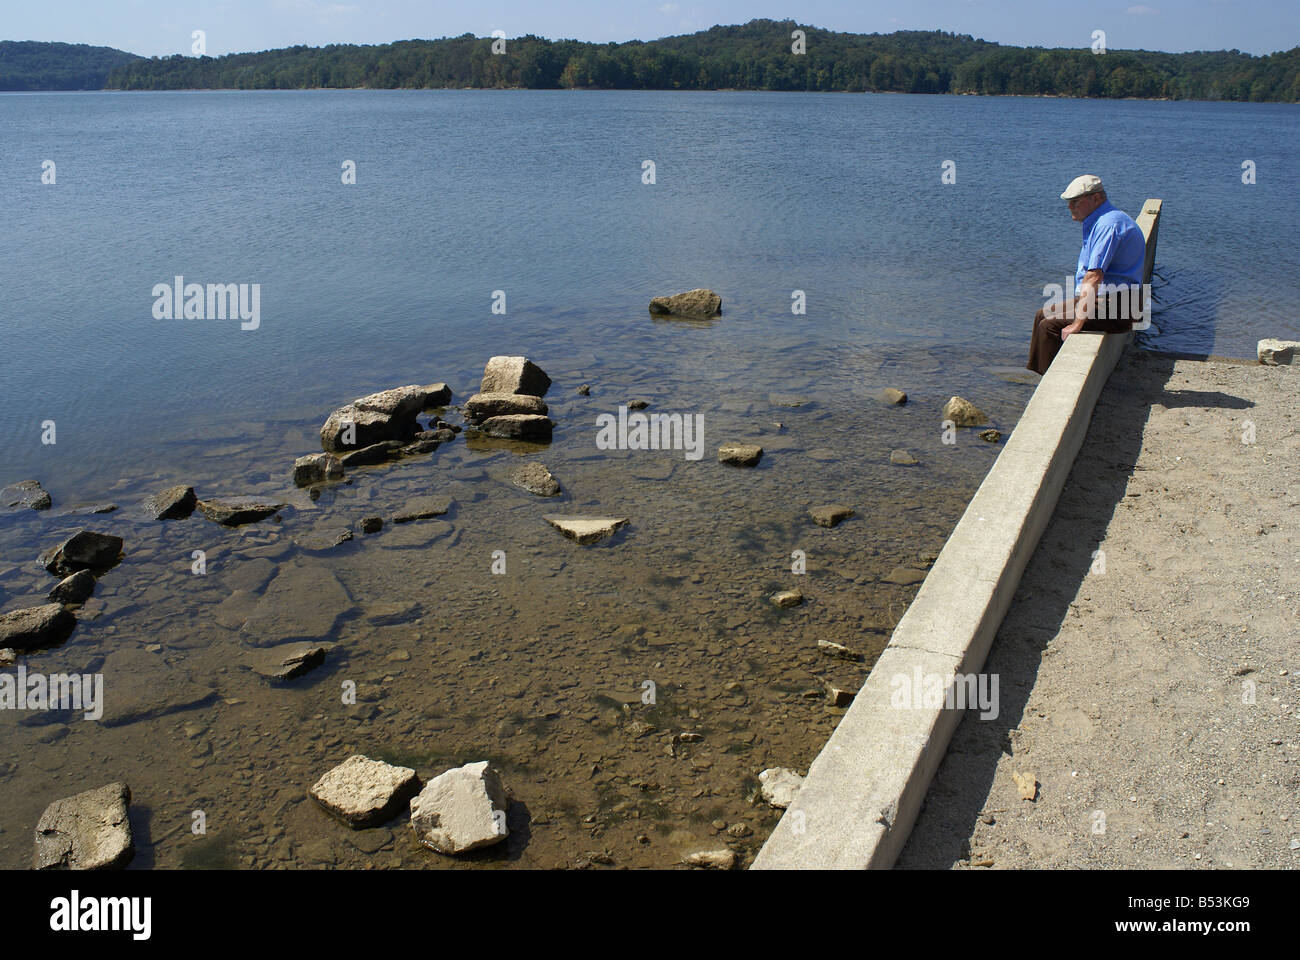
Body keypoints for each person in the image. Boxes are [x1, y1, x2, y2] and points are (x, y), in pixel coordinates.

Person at [1027, 175, 1147, 375]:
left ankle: (1054, 382)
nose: (1070, 207)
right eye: (1069, 203)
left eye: (1075, 202)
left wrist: (1078, 323)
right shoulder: (1101, 220)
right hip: (1107, 300)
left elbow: (1094, 277)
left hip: (1120, 306)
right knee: (1042, 314)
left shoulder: (1108, 225)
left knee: (1049, 326)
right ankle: (1041, 375)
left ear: (1096, 198)